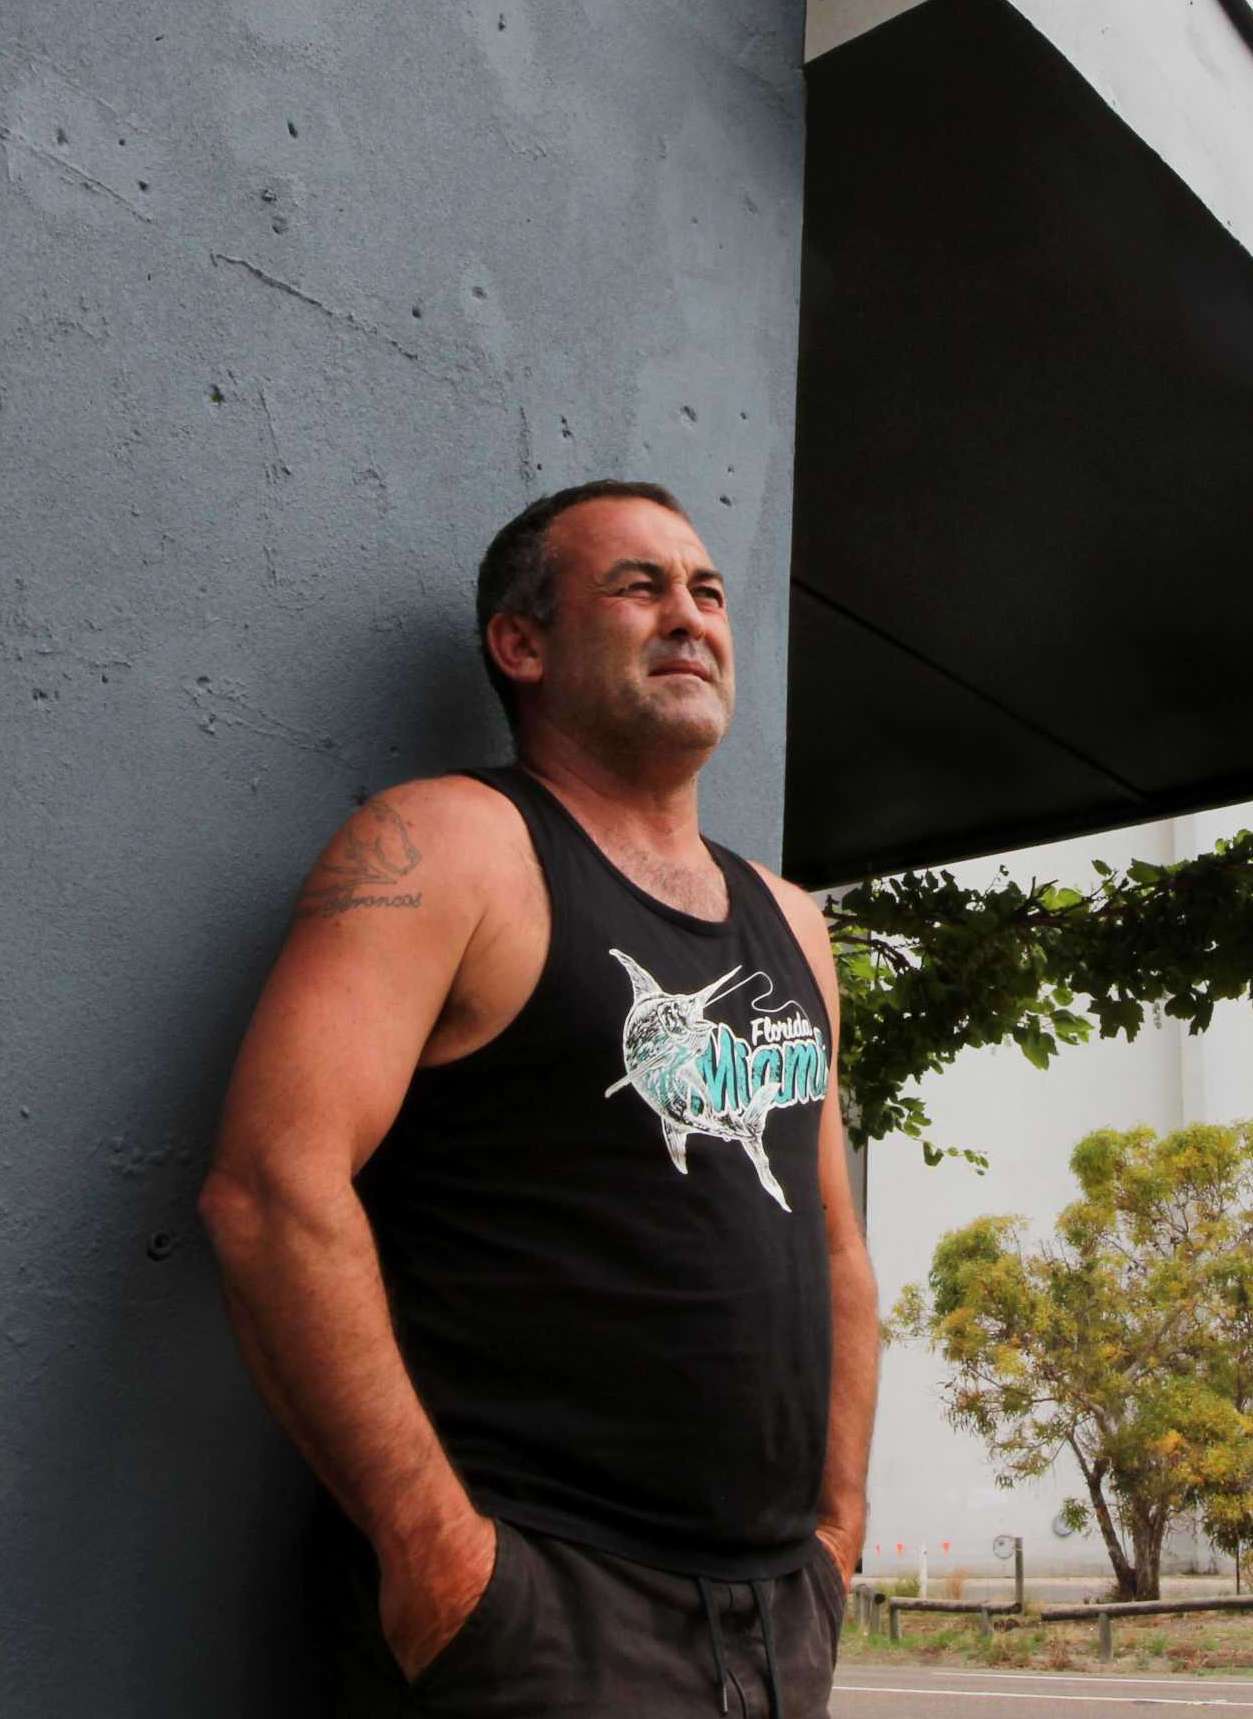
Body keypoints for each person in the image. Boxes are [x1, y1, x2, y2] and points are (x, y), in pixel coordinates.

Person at [199, 480, 878, 1716]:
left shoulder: (792, 922)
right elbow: (268, 1189)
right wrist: (438, 1557)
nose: (690, 615)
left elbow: (832, 1246)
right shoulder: (451, 845)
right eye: (640, 585)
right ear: (521, 644)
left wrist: (838, 1532)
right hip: (542, 1610)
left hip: (776, 1615)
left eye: (708, 590)